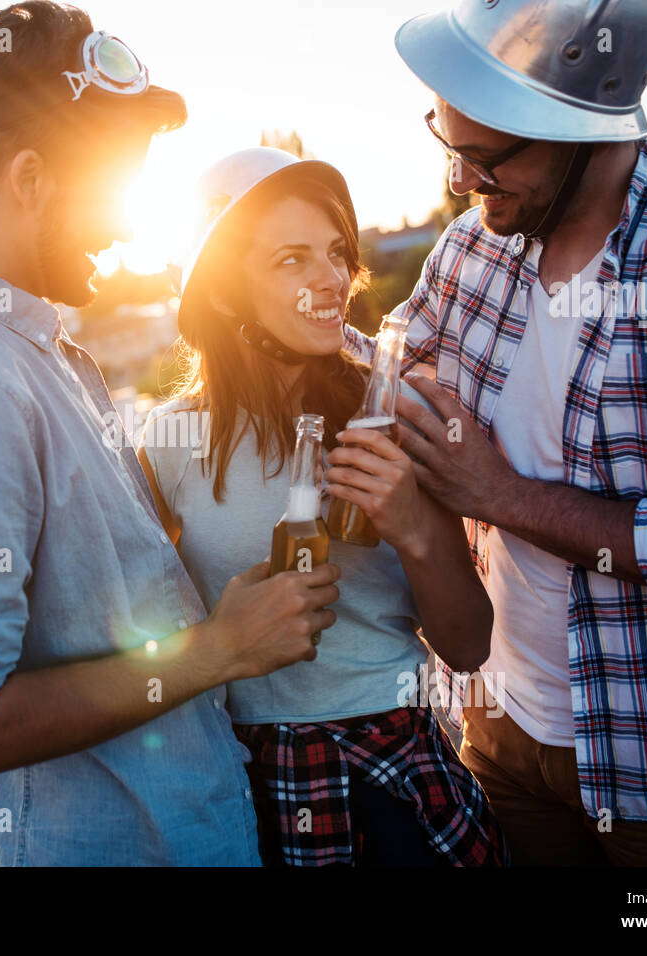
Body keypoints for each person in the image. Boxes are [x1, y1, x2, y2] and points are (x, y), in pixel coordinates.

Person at [0, 2, 343, 866]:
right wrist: (216, 651)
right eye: (111, 189)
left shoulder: (25, 344)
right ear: (28, 179)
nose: (128, 229)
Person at [351, 0, 647, 865]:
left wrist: (495, 494)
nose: (460, 183)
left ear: (583, 130)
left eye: (484, 159)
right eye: (449, 148)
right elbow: (393, 357)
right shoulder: (471, 251)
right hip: (499, 726)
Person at [138, 147, 508, 866]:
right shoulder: (171, 443)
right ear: (222, 294)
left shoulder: (391, 416)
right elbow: (145, 636)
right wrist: (223, 638)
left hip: (391, 773)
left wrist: (415, 531)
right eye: (291, 260)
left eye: (338, 253)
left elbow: (468, 645)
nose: (332, 279)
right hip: (244, 782)